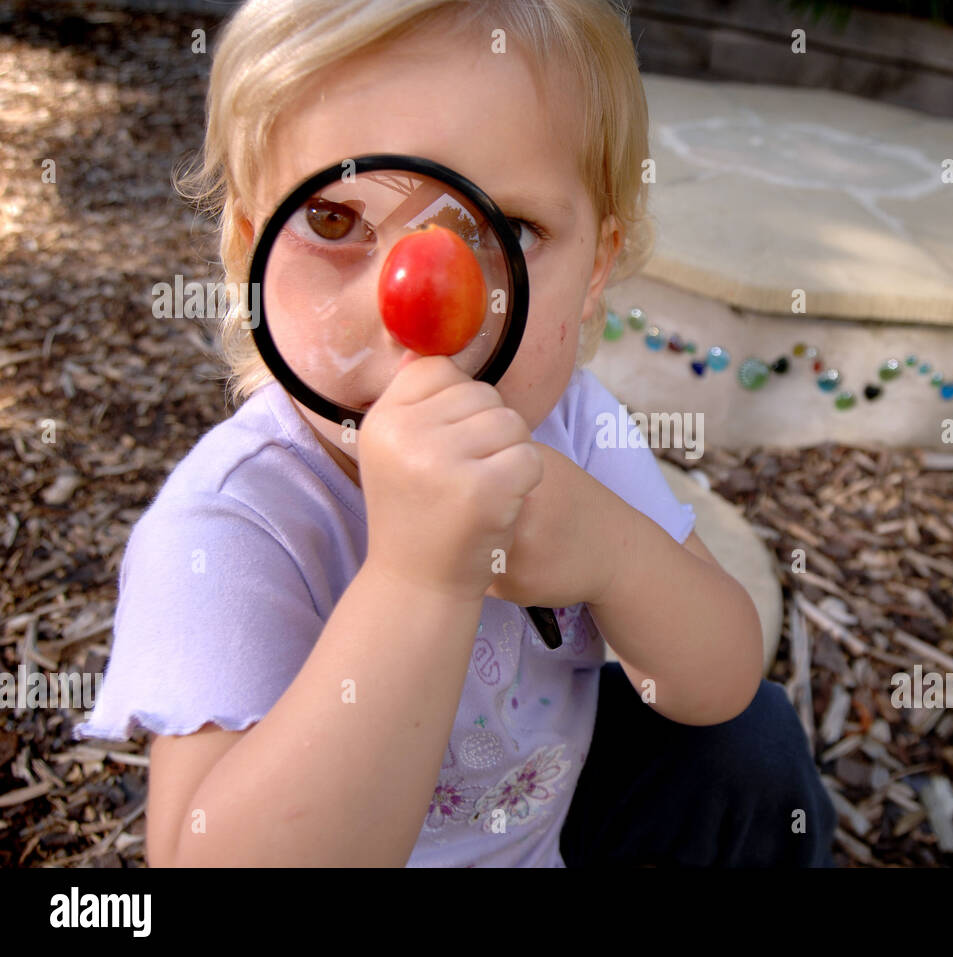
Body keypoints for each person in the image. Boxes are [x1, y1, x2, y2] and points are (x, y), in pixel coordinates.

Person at [74, 0, 836, 868]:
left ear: (593, 269)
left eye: (506, 231)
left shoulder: (570, 428)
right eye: (335, 221)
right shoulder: (234, 524)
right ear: (254, 253)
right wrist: (417, 579)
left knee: (753, 747)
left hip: (549, 842)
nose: (419, 303)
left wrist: (614, 552)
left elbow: (721, 680)